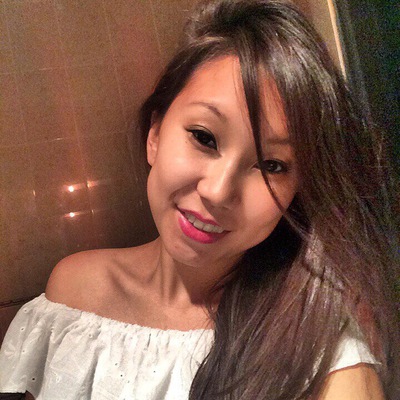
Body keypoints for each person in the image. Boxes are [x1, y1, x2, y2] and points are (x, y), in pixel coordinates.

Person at [0, 0, 399, 399]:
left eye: (272, 165)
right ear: (155, 134)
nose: (218, 191)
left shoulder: (319, 353)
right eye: (204, 137)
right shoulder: (74, 296)